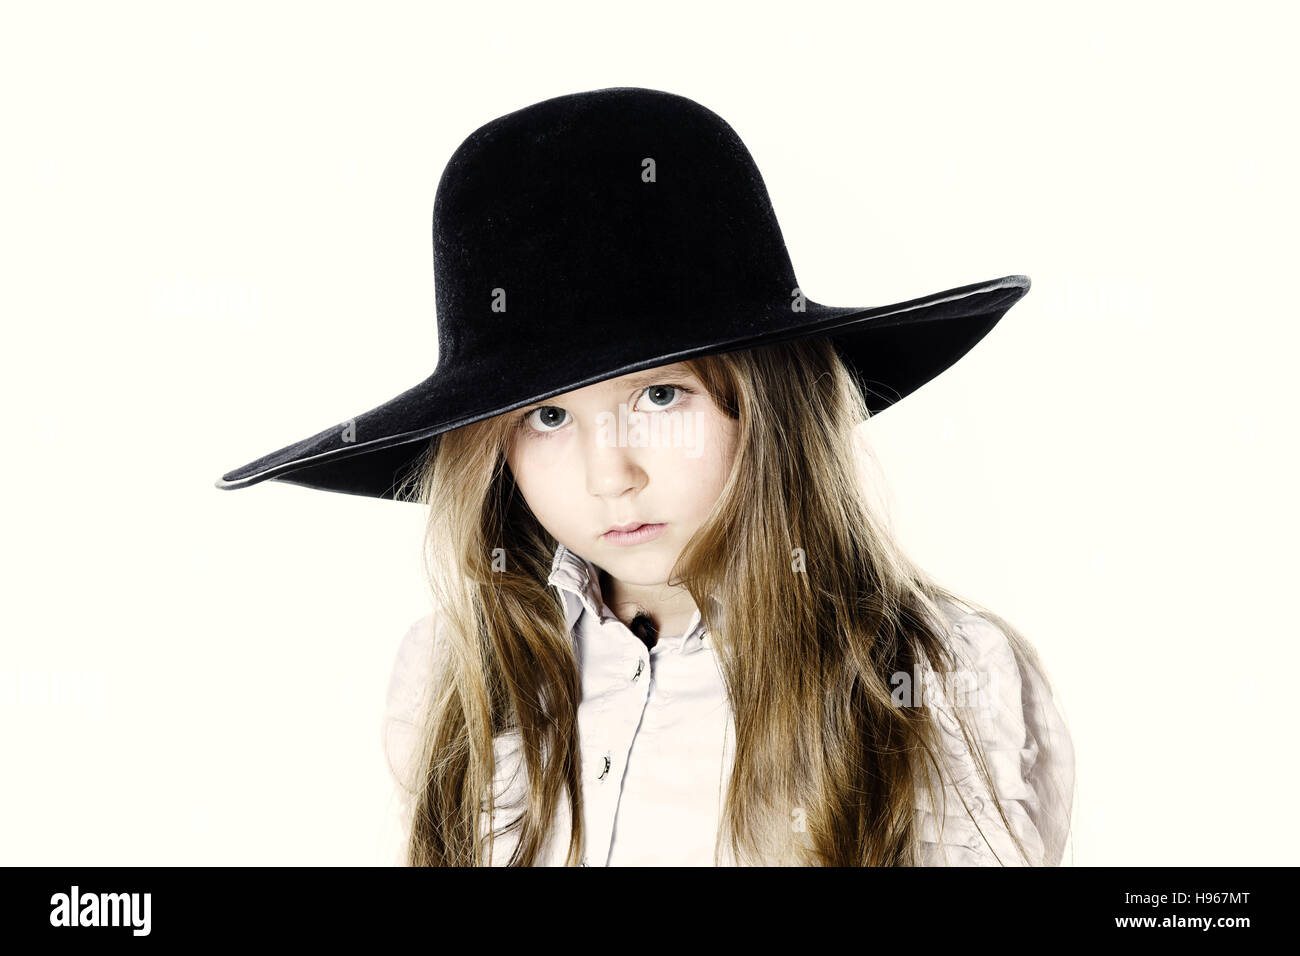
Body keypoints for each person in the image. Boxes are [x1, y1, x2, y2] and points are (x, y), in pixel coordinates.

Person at [216, 87, 1075, 866]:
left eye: (661, 396)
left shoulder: (941, 680)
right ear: (492, 451)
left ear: (764, 406)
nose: (610, 475)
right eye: (546, 417)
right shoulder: (459, 676)